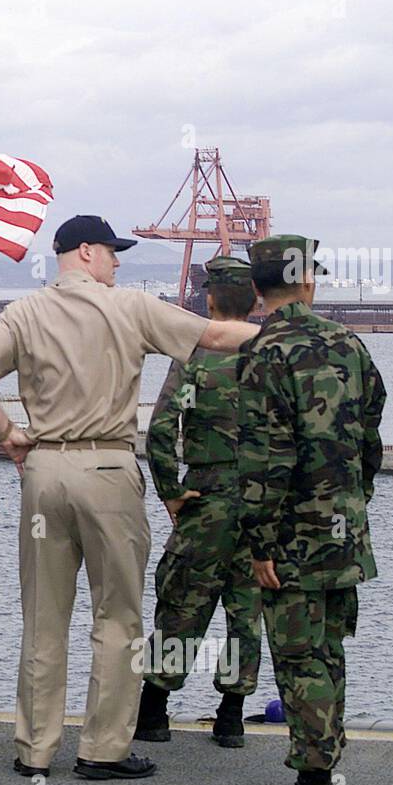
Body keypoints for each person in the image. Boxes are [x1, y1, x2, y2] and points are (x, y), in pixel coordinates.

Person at [0, 215, 258, 780]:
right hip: (107, 466)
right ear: (89, 252)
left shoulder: (22, 312)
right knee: (117, 616)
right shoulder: (129, 306)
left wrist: (8, 434)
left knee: (43, 618)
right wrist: (287, 333)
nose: (119, 262)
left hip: (44, 471)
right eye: (114, 253)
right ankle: (101, 750)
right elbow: (217, 335)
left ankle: (35, 751)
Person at [238, 235, 385, 785]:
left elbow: (264, 460)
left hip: (292, 536)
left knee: (298, 658)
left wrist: (260, 542)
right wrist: (355, 493)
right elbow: (371, 427)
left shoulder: (264, 353)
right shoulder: (348, 344)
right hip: (344, 528)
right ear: (309, 282)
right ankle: (324, 763)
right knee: (328, 651)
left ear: (257, 288)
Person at [135, 257, 263, 748]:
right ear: (253, 301)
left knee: (184, 601)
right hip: (257, 501)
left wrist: (170, 489)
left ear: (208, 300)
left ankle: (155, 711)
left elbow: (163, 428)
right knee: (245, 609)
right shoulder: (266, 354)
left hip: (206, 497)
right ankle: (231, 714)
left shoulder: (195, 355)